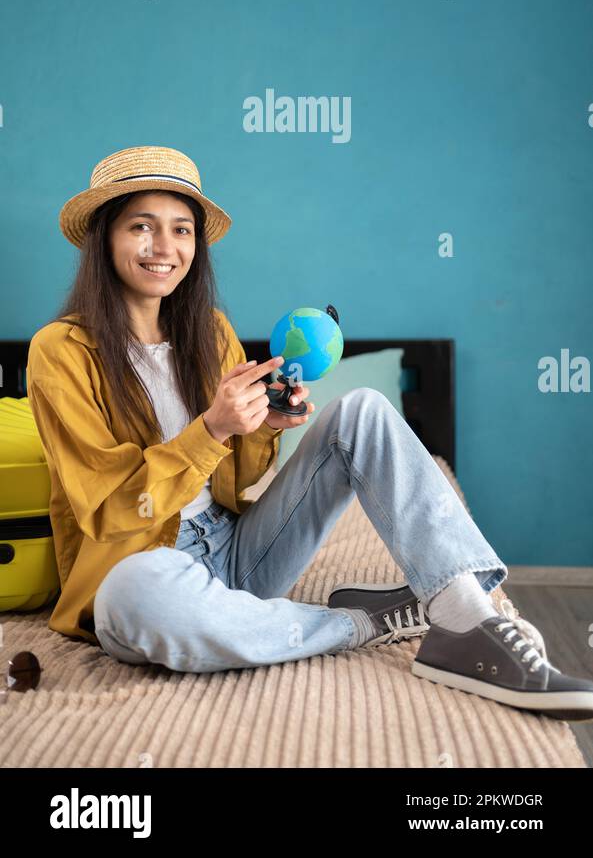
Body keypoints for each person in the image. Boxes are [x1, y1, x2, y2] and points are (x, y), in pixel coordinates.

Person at [26, 145, 593, 721]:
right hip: (142, 564)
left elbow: (238, 479)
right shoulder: (60, 352)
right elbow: (104, 510)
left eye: (181, 229)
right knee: (134, 594)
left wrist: (261, 428)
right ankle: (359, 624)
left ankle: (466, 617)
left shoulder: (210, 333)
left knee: (363, 410)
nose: (164, 248)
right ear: (104, 237)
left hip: (236, 553)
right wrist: (212, 427)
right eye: (140, 227)